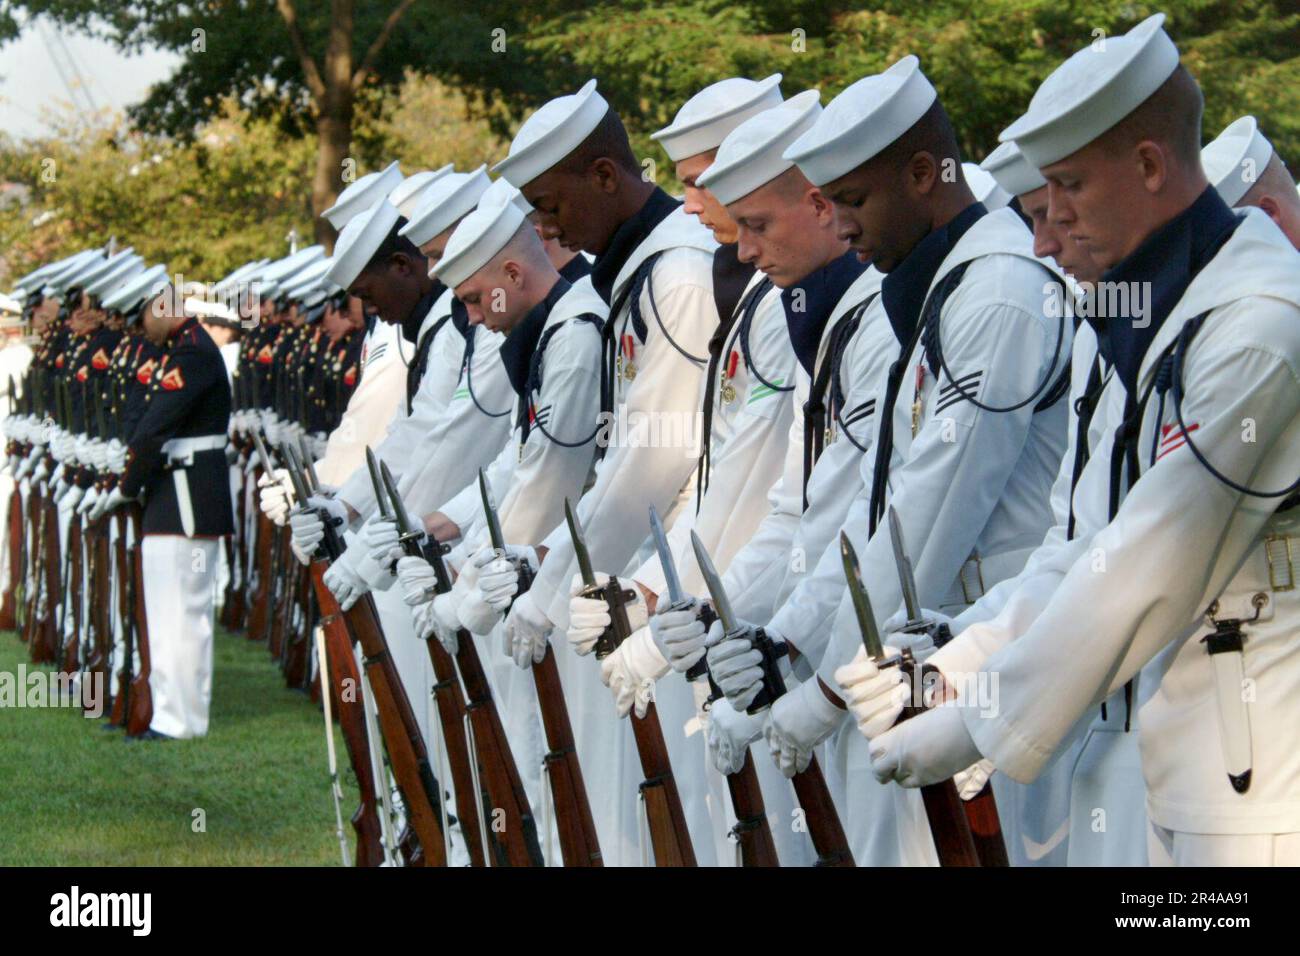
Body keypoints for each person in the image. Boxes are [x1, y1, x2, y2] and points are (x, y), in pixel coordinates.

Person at [863, 14, 1300, 867]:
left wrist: (977, 720)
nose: (1047, 227)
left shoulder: (1256, 326)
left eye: (1067, 187)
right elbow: (1094, 545)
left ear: (1147, 165)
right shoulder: (1173, 310)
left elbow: (1147, 563)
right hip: (1191, 775)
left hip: (1264, 796)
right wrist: (965, 658)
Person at [707, 54, 1073, 865]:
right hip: (903, 675)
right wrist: (794, 647)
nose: (840, 227)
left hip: (976, 682)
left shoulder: (997, 293)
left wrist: (827, 688)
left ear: (921, 174)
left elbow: (928, 523)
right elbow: (867, 508)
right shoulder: (939, 287)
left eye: (854, 201)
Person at [488, 79, 720, 864]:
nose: (544, 226)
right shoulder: (637, 266)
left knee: (659, 824)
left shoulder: (677, 272)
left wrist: (552, 591)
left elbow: (656, 458)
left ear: (604, 175)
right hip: (628, 576)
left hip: (673, 582)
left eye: (551, 205)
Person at [97, 282, 234, 739]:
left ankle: (183, 720)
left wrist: (127, 485)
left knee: (183, 613)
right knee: (164, 611)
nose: (140, 328)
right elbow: (143, 420)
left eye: (144, 317)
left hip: (188, 496)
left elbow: (156, 426)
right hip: (170, 493)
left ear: (163, 308)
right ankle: (166, 714)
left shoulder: (193, 352)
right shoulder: (176, 350)